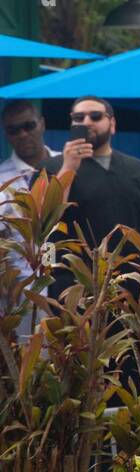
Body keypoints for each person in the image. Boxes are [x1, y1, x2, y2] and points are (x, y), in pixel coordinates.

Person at [42, 96, 140, 301]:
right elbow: (46, 218)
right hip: (72, 285)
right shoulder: (51, 168)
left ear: (113, 124)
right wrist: (69, 166)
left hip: (131, 284)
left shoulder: (139, 170)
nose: (87, 122)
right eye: (78, 117)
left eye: (95, 116)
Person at [0, 100, 60, 336]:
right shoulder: (3, 179)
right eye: (14, 130)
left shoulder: (69, 164)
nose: (23, 134)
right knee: (33, 365)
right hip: (23, 291)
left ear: (42, 124)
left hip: (68, 281)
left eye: (29, 126)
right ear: (6, 134)